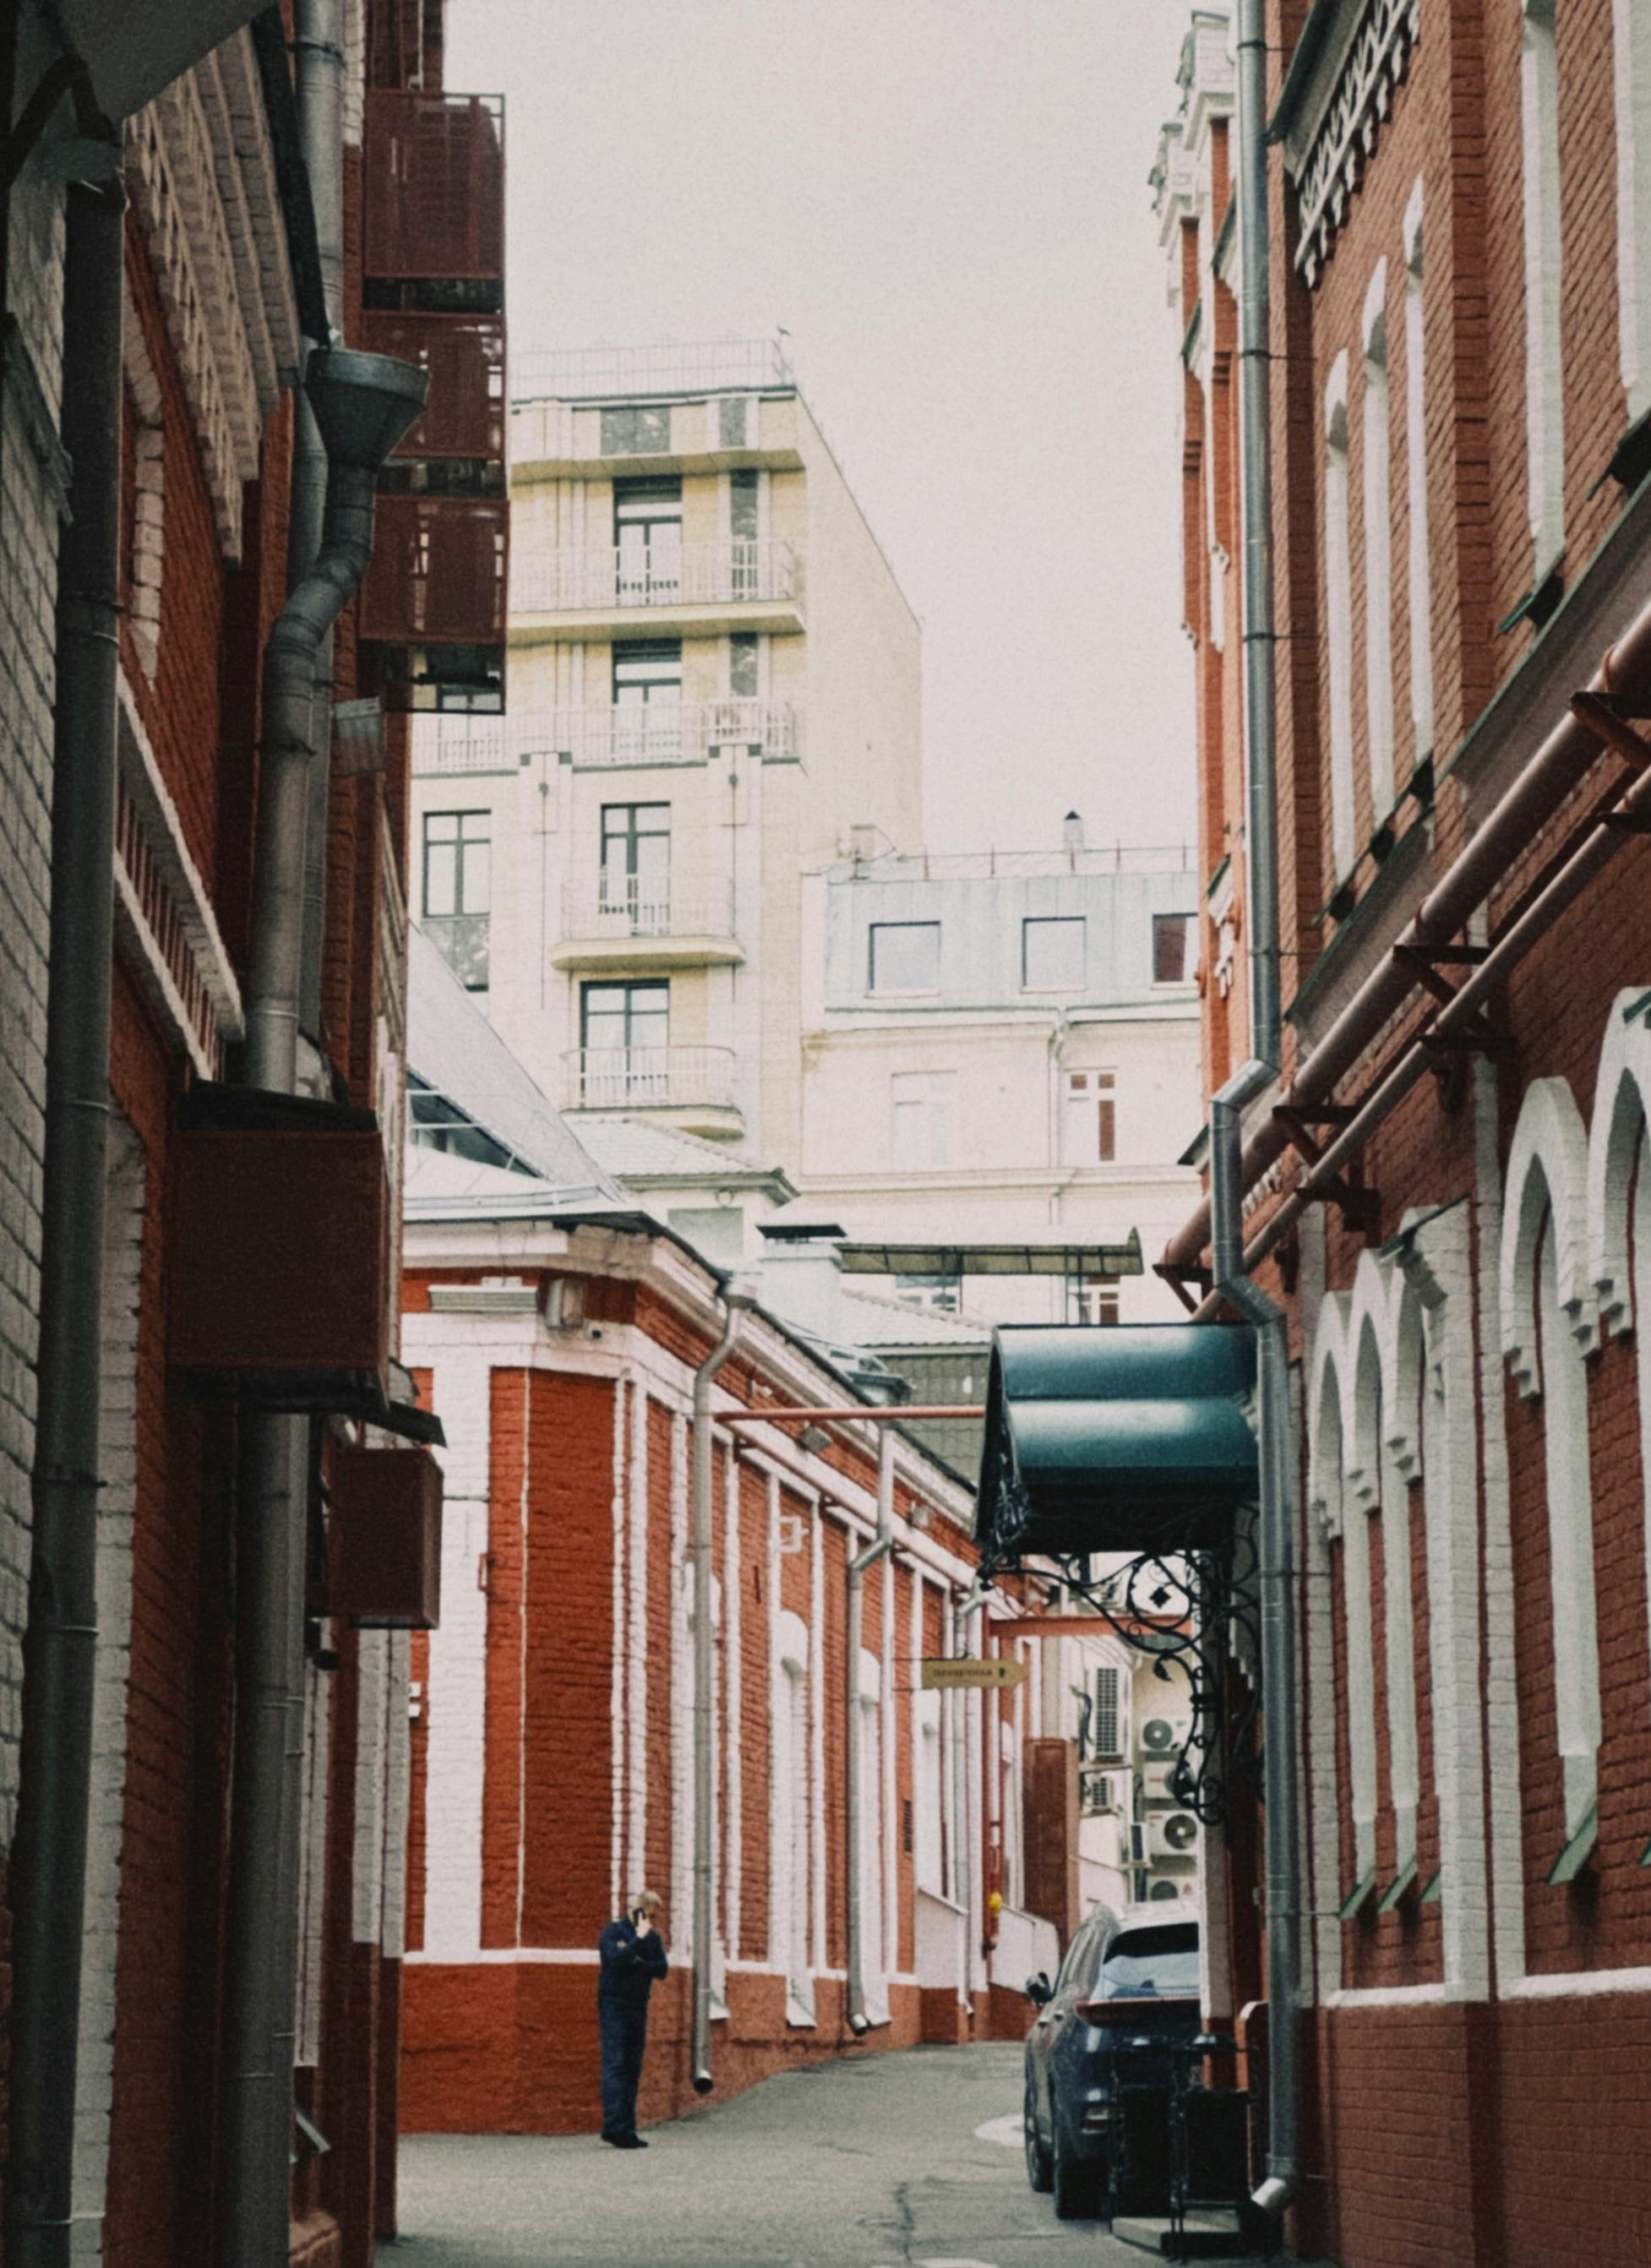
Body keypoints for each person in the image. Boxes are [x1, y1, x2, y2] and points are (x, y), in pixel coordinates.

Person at [597, 1888, 668, 2148]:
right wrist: (636, 1943)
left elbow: (661, 1969)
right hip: (613, 2004)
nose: (649, 1921)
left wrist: (640, 1962)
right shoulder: (613, 1932)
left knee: (632, 2067)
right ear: (635, 1910)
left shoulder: (653, 1938)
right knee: (615, 2064)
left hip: (638, 2005)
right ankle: (613, 2126)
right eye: (646, 1915)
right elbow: (614, 1959)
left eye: (653, 1916)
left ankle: (627, 2127)